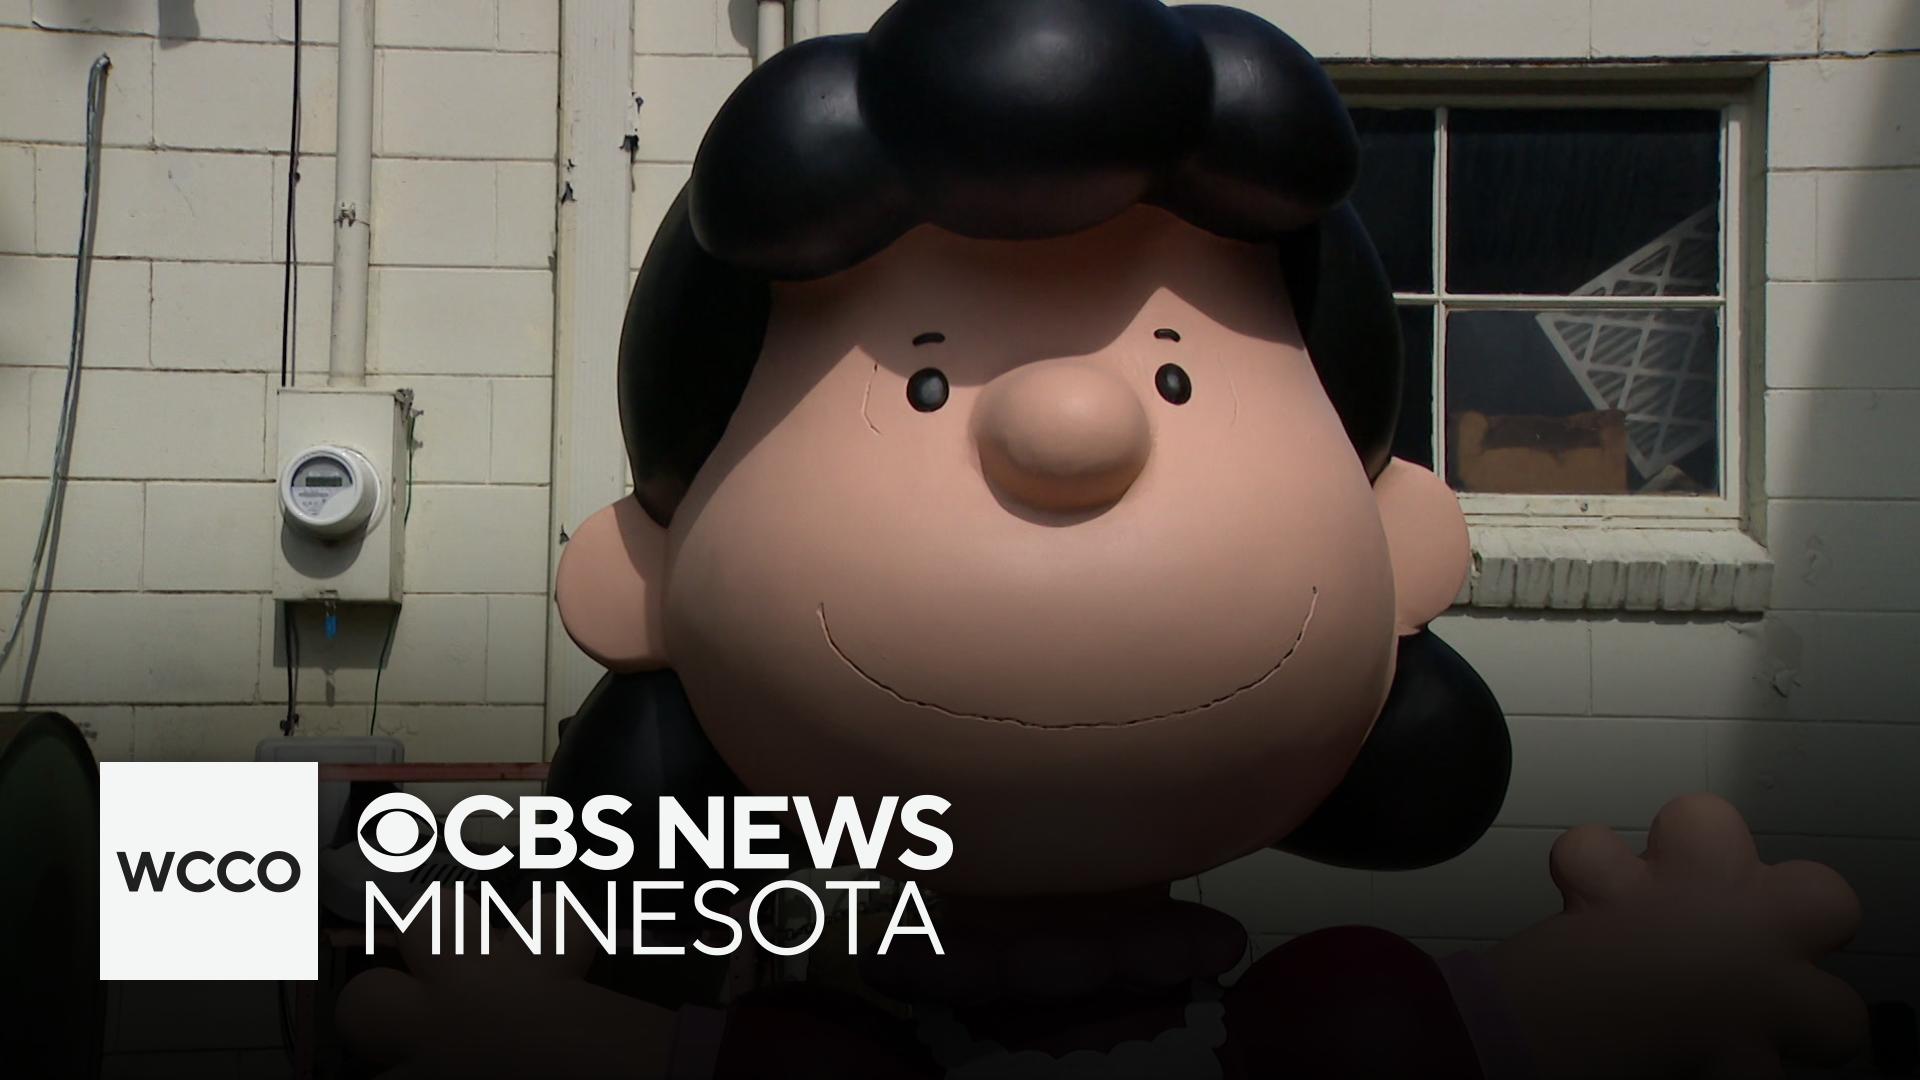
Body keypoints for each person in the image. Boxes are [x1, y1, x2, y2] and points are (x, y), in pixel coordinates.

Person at [339, 2, 1866, 1076]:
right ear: (645, 586)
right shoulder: (796, 1042)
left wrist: (1679, 973)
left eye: (1176, 368)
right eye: (921, 378)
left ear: (1408, 551)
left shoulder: (1331, 1019)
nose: (1073, 428)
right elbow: (195, 880)